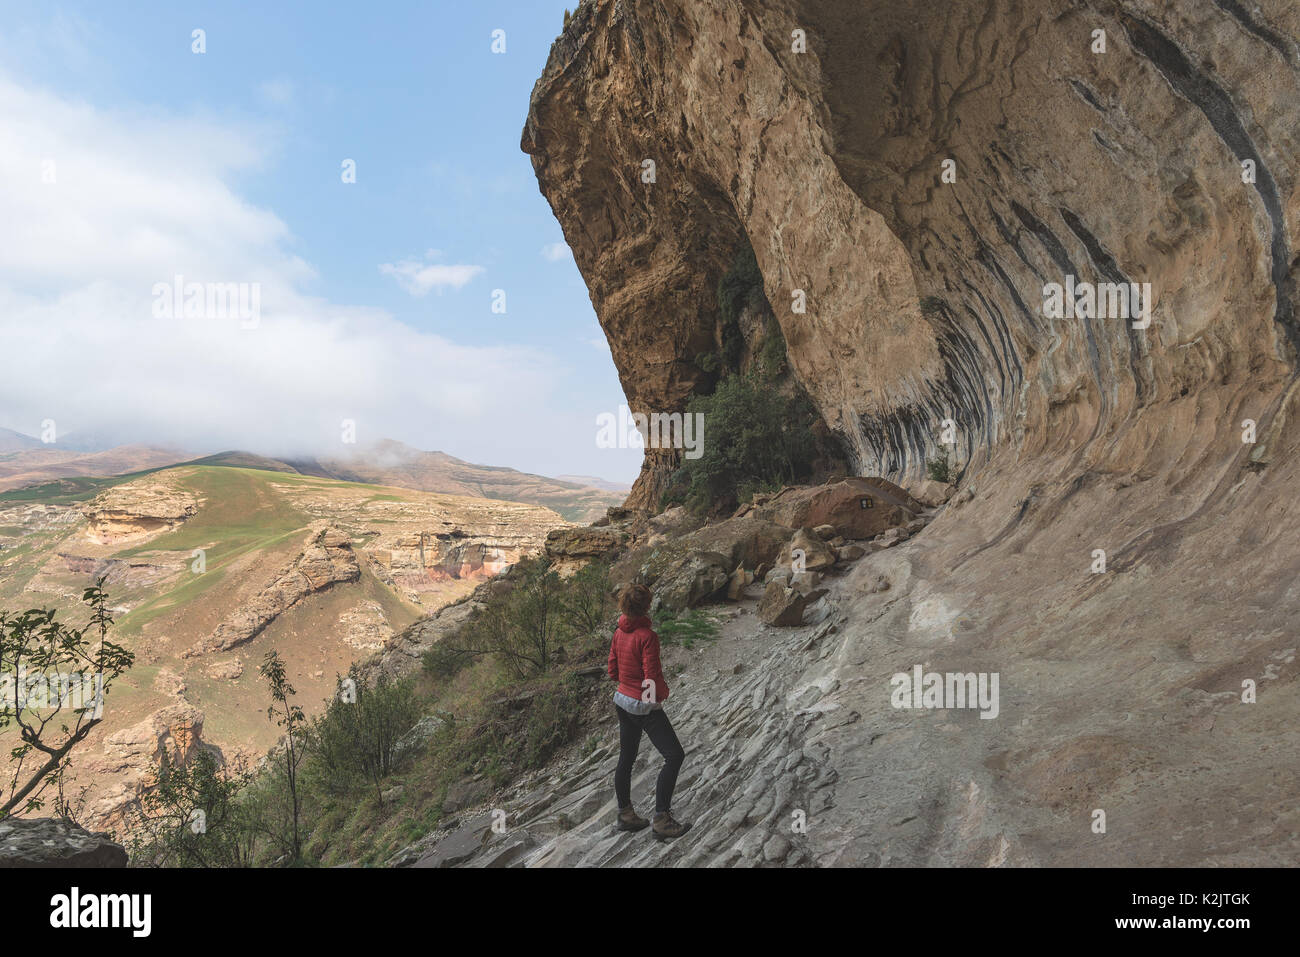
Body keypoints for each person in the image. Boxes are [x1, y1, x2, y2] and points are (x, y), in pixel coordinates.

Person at [607, 583, 690, 840]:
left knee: (627, 758)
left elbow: (612, 670)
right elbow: (651, 676)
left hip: (622, 700)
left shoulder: (619, 632)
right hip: (643, 705)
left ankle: (625, 815)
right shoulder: (647, 636)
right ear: (646, 606)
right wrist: (660, 696)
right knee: (674, 755)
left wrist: (628, 684)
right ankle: (661, 819)